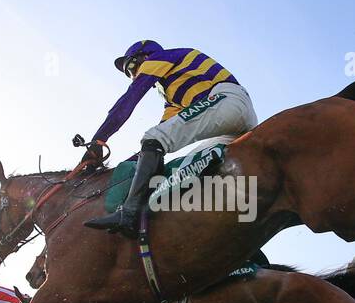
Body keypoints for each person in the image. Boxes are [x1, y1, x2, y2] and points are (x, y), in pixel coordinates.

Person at [83, 40, 257, 237]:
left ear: (145, 56)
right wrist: (126, 165)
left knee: (153, 138)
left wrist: (98, 140)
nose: (133, 76)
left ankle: (130, 213)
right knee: (188, 169)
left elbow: (130, 99)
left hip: (226, 101)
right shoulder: (173, 95)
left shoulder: (160, 58)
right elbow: (159, 138)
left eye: (132, 67)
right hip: (236, 116)